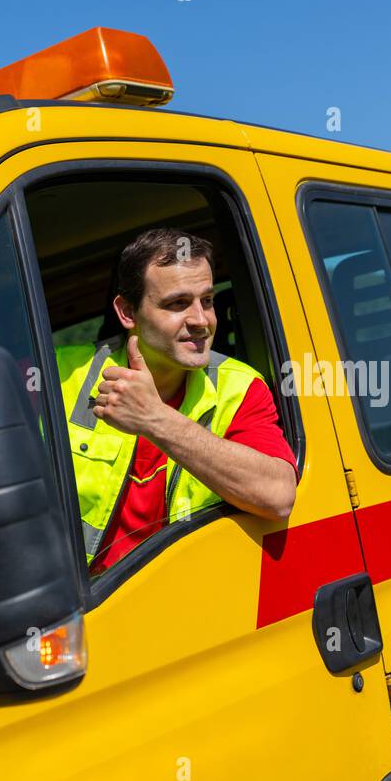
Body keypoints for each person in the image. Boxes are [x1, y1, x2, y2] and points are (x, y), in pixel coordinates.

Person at [57, 228, 296, 574]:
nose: (201, 320)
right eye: (177, 304)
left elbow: (277, 496)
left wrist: (155, 419)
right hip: (88, 610)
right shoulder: (58, 373)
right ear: (127, 312)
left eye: (208, 301)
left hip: (187, 606)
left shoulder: (240, 386)